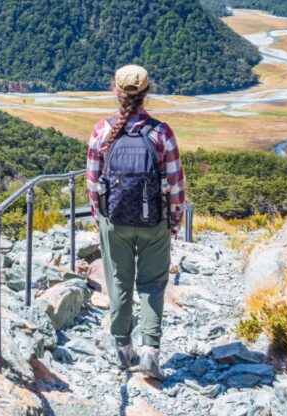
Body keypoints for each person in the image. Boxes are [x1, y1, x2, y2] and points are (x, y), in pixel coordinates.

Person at [85, 64, 186, 380]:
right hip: (153, 220)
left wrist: (100, 219)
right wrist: (172, 223)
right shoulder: (161, 132)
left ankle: (122, 347)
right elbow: (175, 185)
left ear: (115, 91)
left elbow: (92, 183)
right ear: (147, 91)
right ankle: (150, 351)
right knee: (153, 283)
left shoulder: (101, 131)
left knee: (118, 281)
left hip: (114, 220)